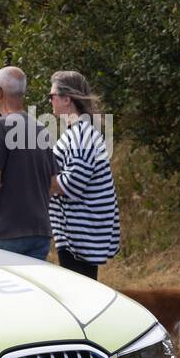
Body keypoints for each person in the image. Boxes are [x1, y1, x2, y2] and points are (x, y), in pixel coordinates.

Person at [47, 70, 120, 278]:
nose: (50, 100)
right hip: (77, 238)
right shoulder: (76, 134)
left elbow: (73, 185)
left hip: (81, 240)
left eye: (52, 96)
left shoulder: (83, 134)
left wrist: (38, 180)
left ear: (66, 98)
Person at [0, 66, 55, 260]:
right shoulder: (40, 128)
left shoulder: (0, 126)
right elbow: (52, 183)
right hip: (39, 231)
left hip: (6, 232)